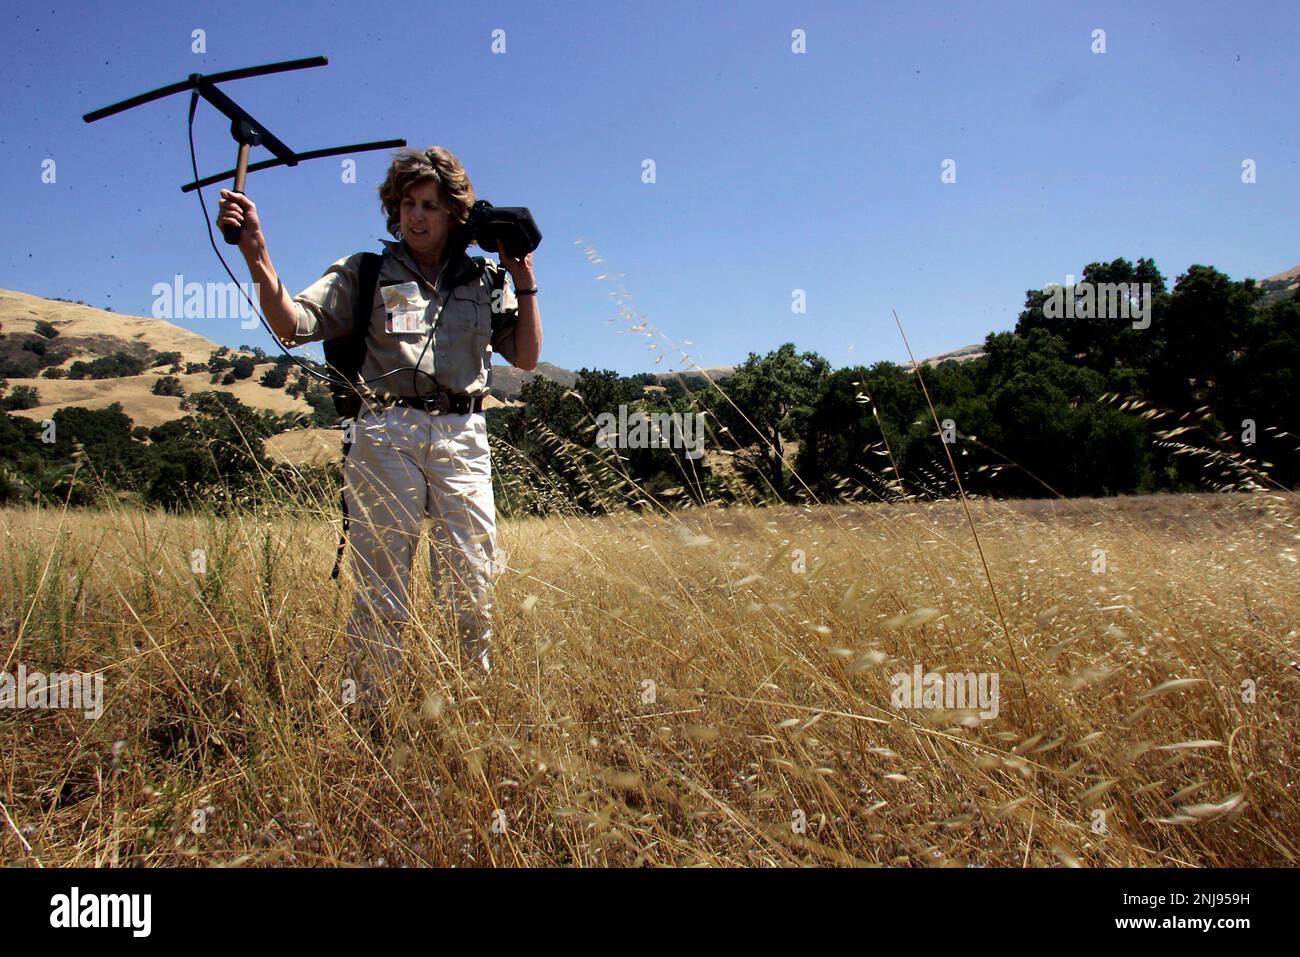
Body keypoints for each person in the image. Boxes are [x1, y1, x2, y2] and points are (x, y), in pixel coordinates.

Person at [217, 146, 541, 727]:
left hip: (464, 431)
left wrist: (523, 279)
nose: (417, 217)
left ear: (455, 214)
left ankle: (470, 711)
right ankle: (371, 719)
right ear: (394, 210)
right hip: (386, 429)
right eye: (408, 204)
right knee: (383, 587)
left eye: (432, 206)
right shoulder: (366, 272)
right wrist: (257, 255)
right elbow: (293, 326)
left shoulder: (483, 279)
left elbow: (527, 356)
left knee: (472, 581)